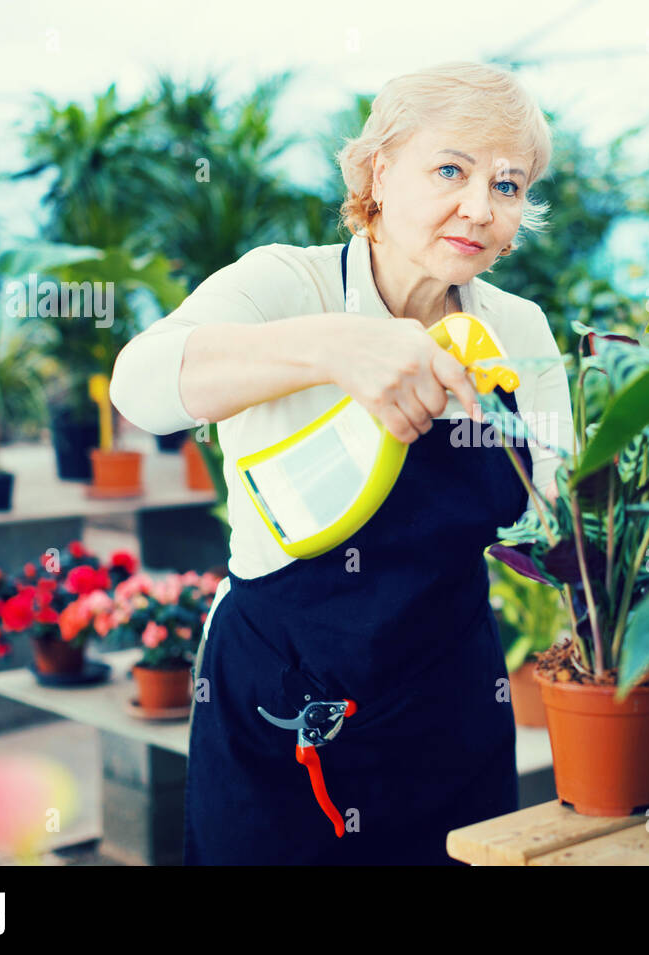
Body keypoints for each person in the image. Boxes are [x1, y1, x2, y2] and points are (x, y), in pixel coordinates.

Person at [109, 60, 574, 864]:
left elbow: (555, 513)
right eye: (451, 170)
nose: (479, 207)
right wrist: (337, 347)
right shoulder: (286, 284)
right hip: (283, 701)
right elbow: (141, 386)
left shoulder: (519, 329)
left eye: (507, 185)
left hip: (450, 697)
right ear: (378, 170)